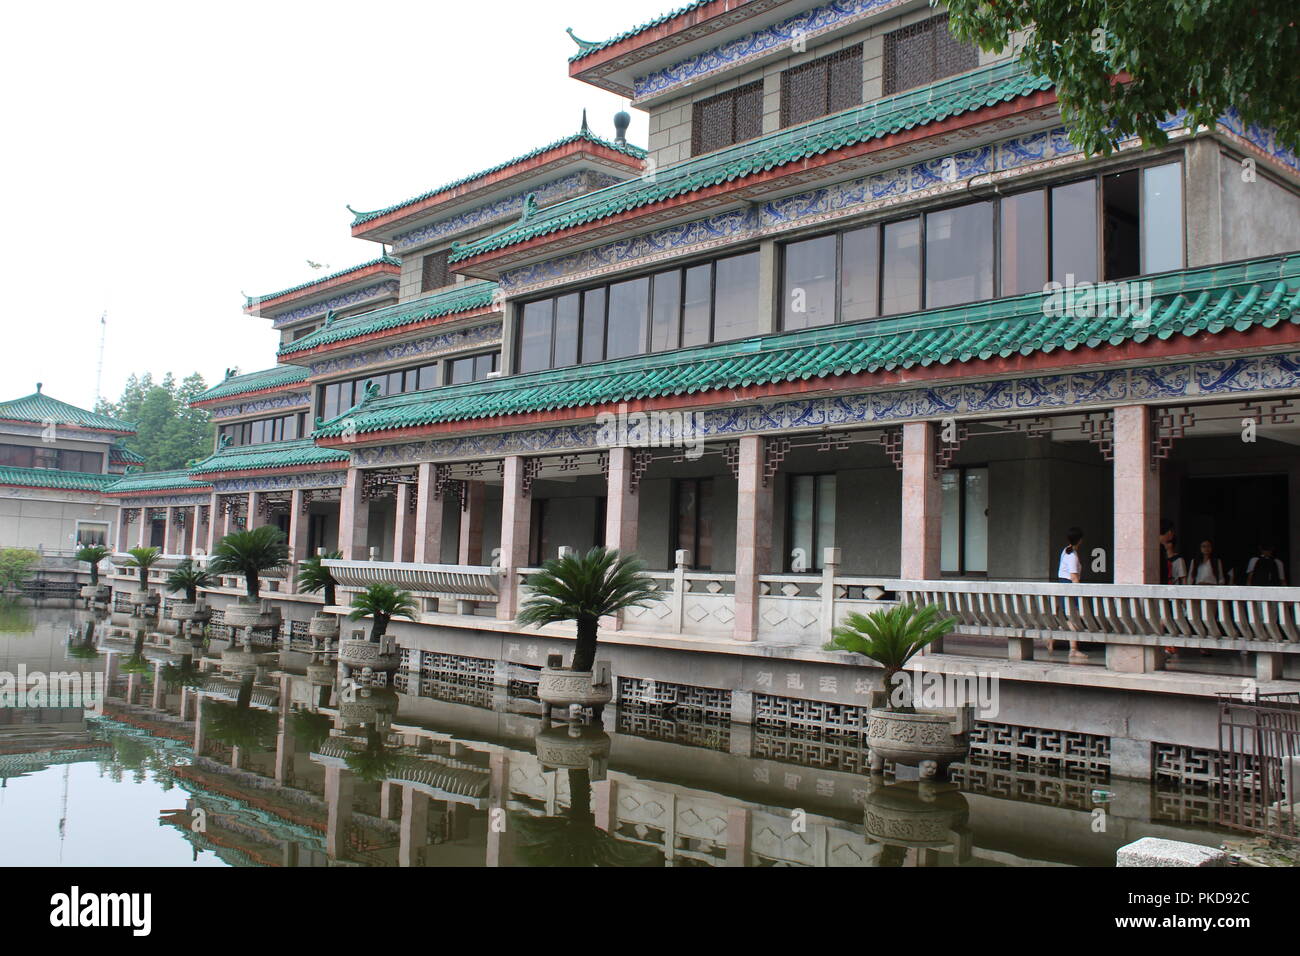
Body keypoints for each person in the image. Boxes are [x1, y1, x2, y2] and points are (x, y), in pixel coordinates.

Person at [1052, 527, 1089, 662]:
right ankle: (1073, 649)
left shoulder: (1065, 551)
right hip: (1070, 588)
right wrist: (1080, 595)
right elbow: (1074, 577)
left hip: (1064, 586)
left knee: (1071, 618)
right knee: (1075, 617)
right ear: (1080, 540)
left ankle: (1052, 637)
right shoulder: (1072, 555)